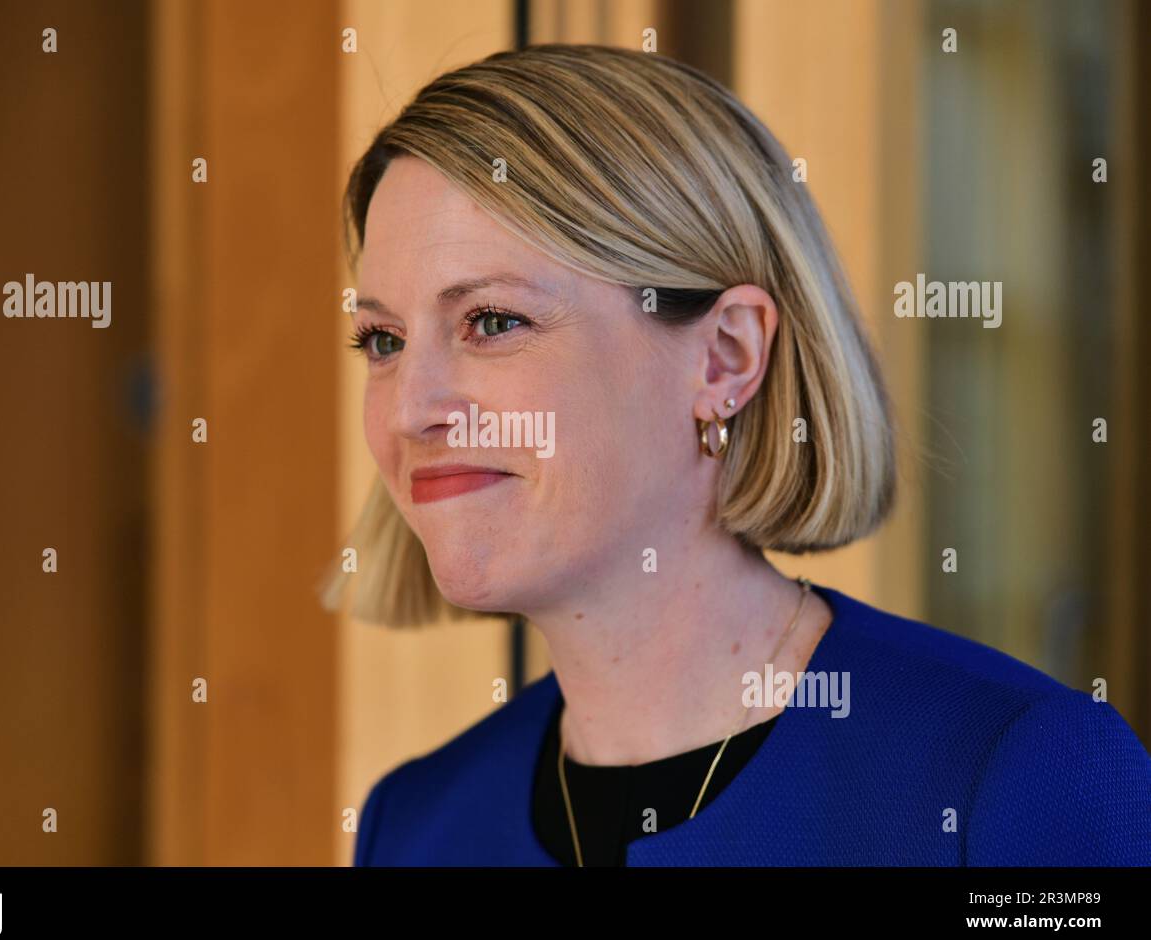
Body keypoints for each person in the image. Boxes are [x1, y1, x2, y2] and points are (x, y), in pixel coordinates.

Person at [324, 43, 1151, 866]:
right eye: (383, 339)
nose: (409, 409)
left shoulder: (1017, 776)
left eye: (494, 322)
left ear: (724, 355)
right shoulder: (415, 825)